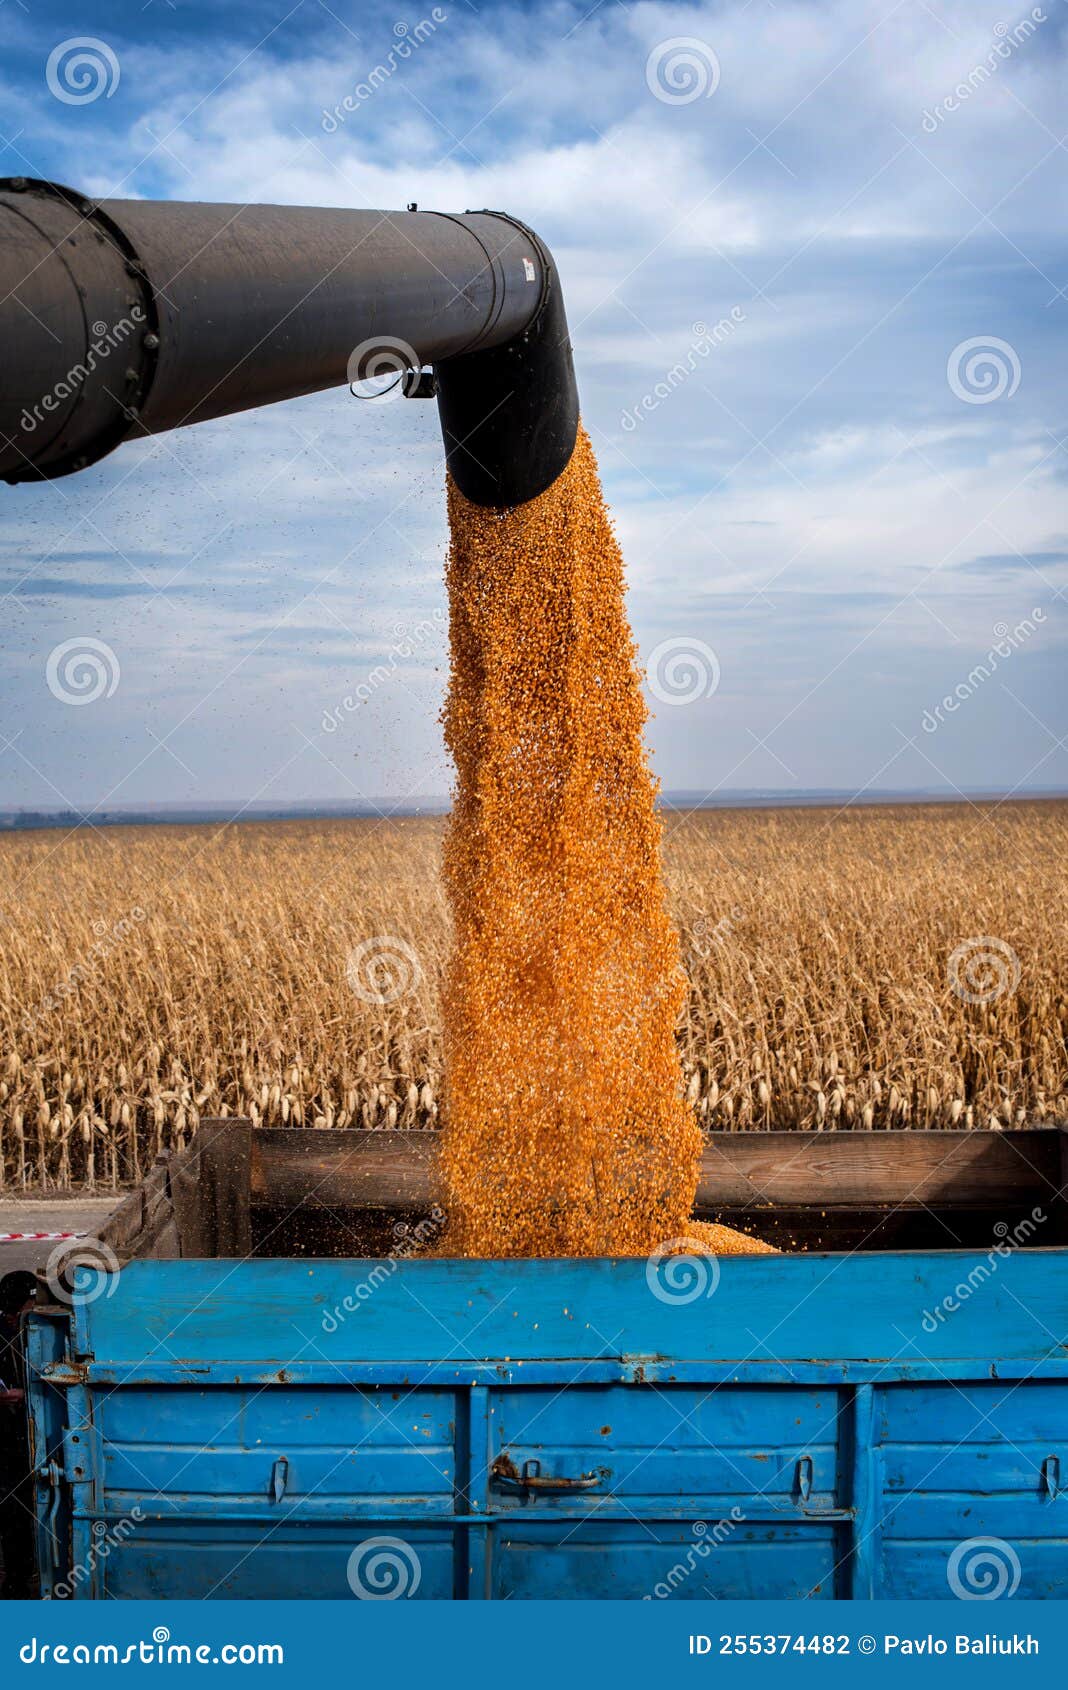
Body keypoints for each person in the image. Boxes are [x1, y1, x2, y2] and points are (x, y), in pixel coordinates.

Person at [0, 1270, 37, 1599]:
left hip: (26, 1441)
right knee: (12, 1515)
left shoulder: (32, 1333)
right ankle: (15, 1583)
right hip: (6, 1442)